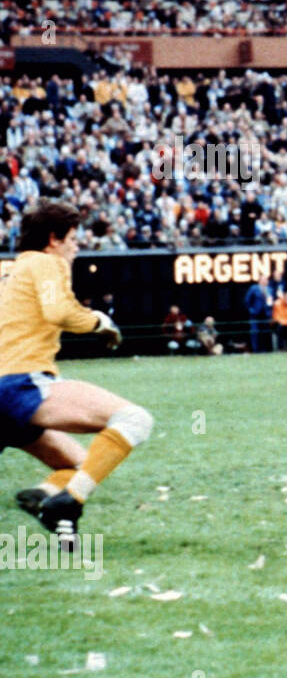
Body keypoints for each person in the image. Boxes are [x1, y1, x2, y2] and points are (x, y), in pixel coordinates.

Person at [2, 200, 153, 547]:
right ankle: (66, 506)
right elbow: (58, 310)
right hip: (20, 385)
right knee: (134, 420)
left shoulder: (8, 274)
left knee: (82, 465)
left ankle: (44, 496)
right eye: (73, 238)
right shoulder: (47, 263)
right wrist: (99, 321)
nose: (77, 246)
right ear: (53, 239)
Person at [244, 275, 274, 353]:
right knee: (255, 332)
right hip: (255, 314)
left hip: (266, 314)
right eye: (263, 280)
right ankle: (255, 350)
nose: (265, 281)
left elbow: (271, 302)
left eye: (266, 280)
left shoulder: (270, 290)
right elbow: (247, 301)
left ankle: (265, 350)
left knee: (265, 332)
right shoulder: (253, 288)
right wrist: (251, 310)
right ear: (260, 280)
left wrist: (270, 312)